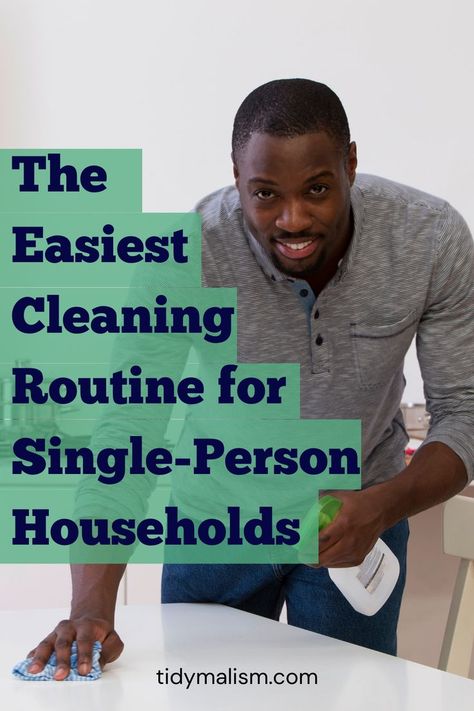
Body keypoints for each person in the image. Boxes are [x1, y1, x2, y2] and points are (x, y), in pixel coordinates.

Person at [26, 79, 473, 679]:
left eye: (318, 188)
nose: (294, 219)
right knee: (204, 696)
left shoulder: (430, 238)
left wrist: (381, 506)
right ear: (236, 179)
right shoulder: (184, 253)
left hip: (361, 519)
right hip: (216, 524)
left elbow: (463, 408)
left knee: (352, 697)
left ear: (351, 164)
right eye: (266, 194)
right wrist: (89, 608)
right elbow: (127, 430)